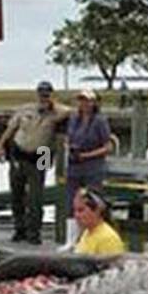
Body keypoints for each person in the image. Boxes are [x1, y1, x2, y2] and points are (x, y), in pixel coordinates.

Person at [0, 81, 70, 244]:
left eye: (47, 94)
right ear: (37, 94)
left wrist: (52, 107)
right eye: (42, 93)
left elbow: (69, 111)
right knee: (17, 194)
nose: (44, 97)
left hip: (42, 155)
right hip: (19, 152)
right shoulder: (25, 109)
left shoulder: (57, 112)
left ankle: (34, 232)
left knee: (36, 197)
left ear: (52, 95)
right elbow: (10, 129)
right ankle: (19, 229)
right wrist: (0, 147)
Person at [64, 89, 112, 222]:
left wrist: (86, 155)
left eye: (88, 100)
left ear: (94, 103)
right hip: (74, 166)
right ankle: (72, 237)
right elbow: (68, 137)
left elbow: (108, 146)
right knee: (71, 200)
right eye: (81, 100)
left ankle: (93, 231)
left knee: (92, 200)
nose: (84, 104)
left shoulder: (100, 121)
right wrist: (69, 147)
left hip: (92, 167)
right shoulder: (74, 118)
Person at [71, 188, 125, 257]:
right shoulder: (86, 233)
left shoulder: (108, 239)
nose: (76, 215)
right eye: (74, 210)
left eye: (81, 210)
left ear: (97, 211)